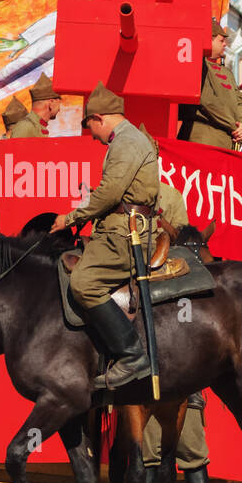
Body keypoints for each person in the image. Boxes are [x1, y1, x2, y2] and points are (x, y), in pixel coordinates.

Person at [50, 82, 158, 391]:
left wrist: (70, 217)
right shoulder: (126, 141)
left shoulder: (125, 143)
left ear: (99, 118)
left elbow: (109, 194)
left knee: (83, 283)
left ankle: (132, 355)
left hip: (125, 234)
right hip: (120, 228)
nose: (92, 135)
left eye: (90, 127)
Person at [140, 182, 227, 483]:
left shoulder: (170, 196)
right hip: (149, 375)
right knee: (147, 445)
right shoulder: (153, 277)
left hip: (185, 379)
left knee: (191, 445)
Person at [177, 18, 242, 150]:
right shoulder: (197, 65)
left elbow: (240, 102)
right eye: (221, 41)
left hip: (227, 141)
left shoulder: (227, 73)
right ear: (208, 40)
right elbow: (207, 100)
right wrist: (234, 126)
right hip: (202, 139)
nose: (225, 45)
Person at [8, 73, 61, 138]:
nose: (59, 110)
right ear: (51, 103)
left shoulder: (36, 126)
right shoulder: (25, 127)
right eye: (58, 105)